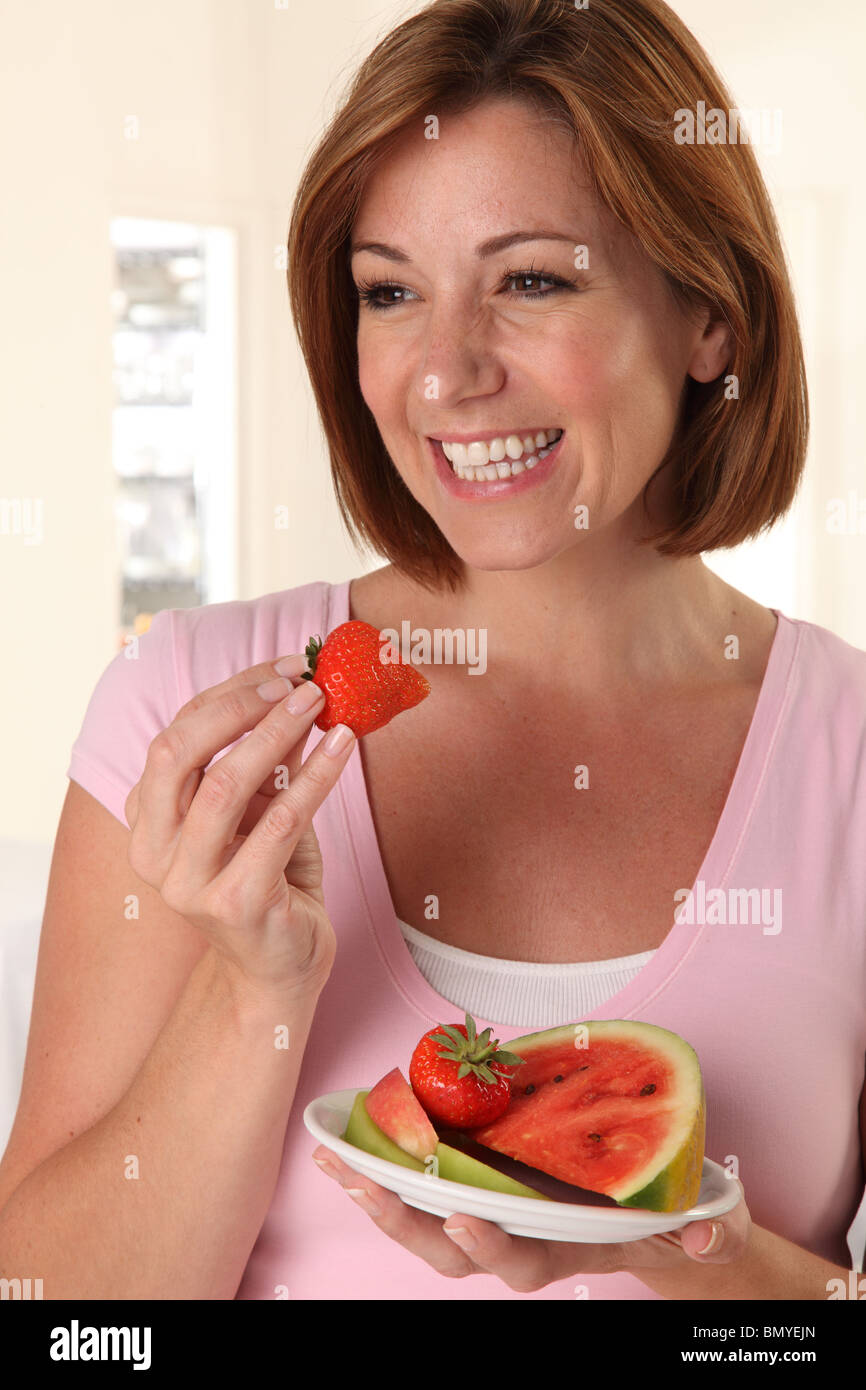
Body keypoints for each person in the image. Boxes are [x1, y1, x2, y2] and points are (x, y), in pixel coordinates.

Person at [0, 0, 863, 1301]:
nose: (443, 373)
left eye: (530, 279)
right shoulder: (179, 706)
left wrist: (700, 1250)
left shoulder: (848, 758)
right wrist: (252, 995)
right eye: (389, 291)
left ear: (710, 321)